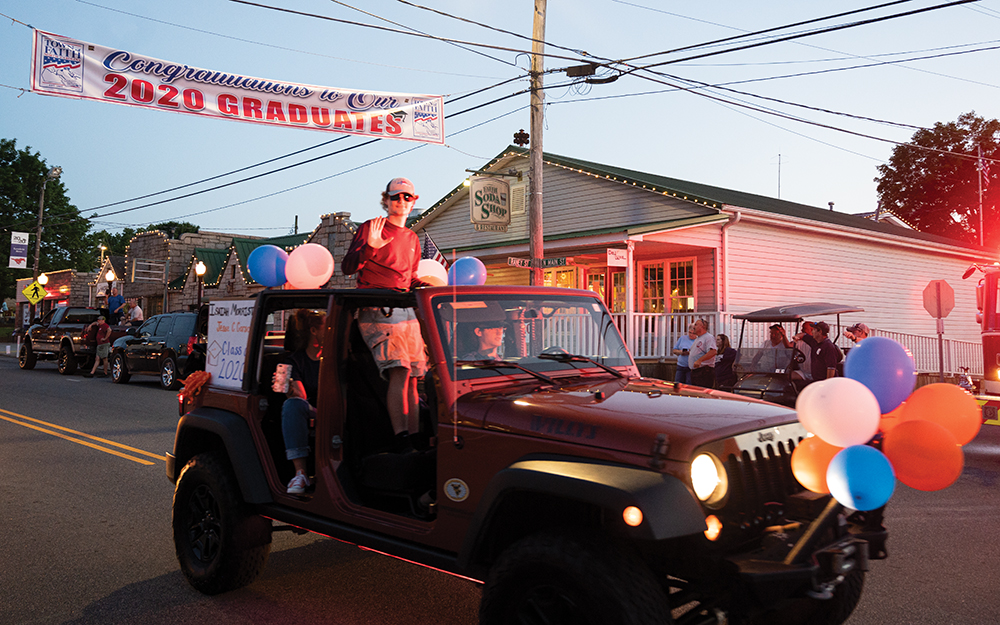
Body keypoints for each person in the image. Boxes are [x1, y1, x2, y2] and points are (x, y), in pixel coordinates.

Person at [341, 177, 429, 452]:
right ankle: (400, 437)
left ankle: (415, 439)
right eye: (395, 197)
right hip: (378, 309)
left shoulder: (413, 238)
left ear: (413, 201)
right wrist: (371, 246)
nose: (401, 202)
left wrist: (430, 286)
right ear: (386, 200)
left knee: (416, 376)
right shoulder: (371, 227)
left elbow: (408, 279)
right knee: (400, 370)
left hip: (404, 310)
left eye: (407, 197)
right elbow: (347, 267)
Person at [281, 309, 325, 495]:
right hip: (315, 410)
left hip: (341, 409)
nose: (332, 330)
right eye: (327, 326)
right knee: (293, 404)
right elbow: (301, 397)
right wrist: (289, 388)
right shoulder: (295, 361)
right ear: (314, 331)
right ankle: (301, 473)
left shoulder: (337, 358)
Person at [689, 319, 717, 388]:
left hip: (704, 372)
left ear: (702, 326)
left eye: (696, 325)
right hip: (696, 371)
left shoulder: (708, 337)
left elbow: (713, 351)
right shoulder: (698, 338)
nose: (693, 327)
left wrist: (699, 360)